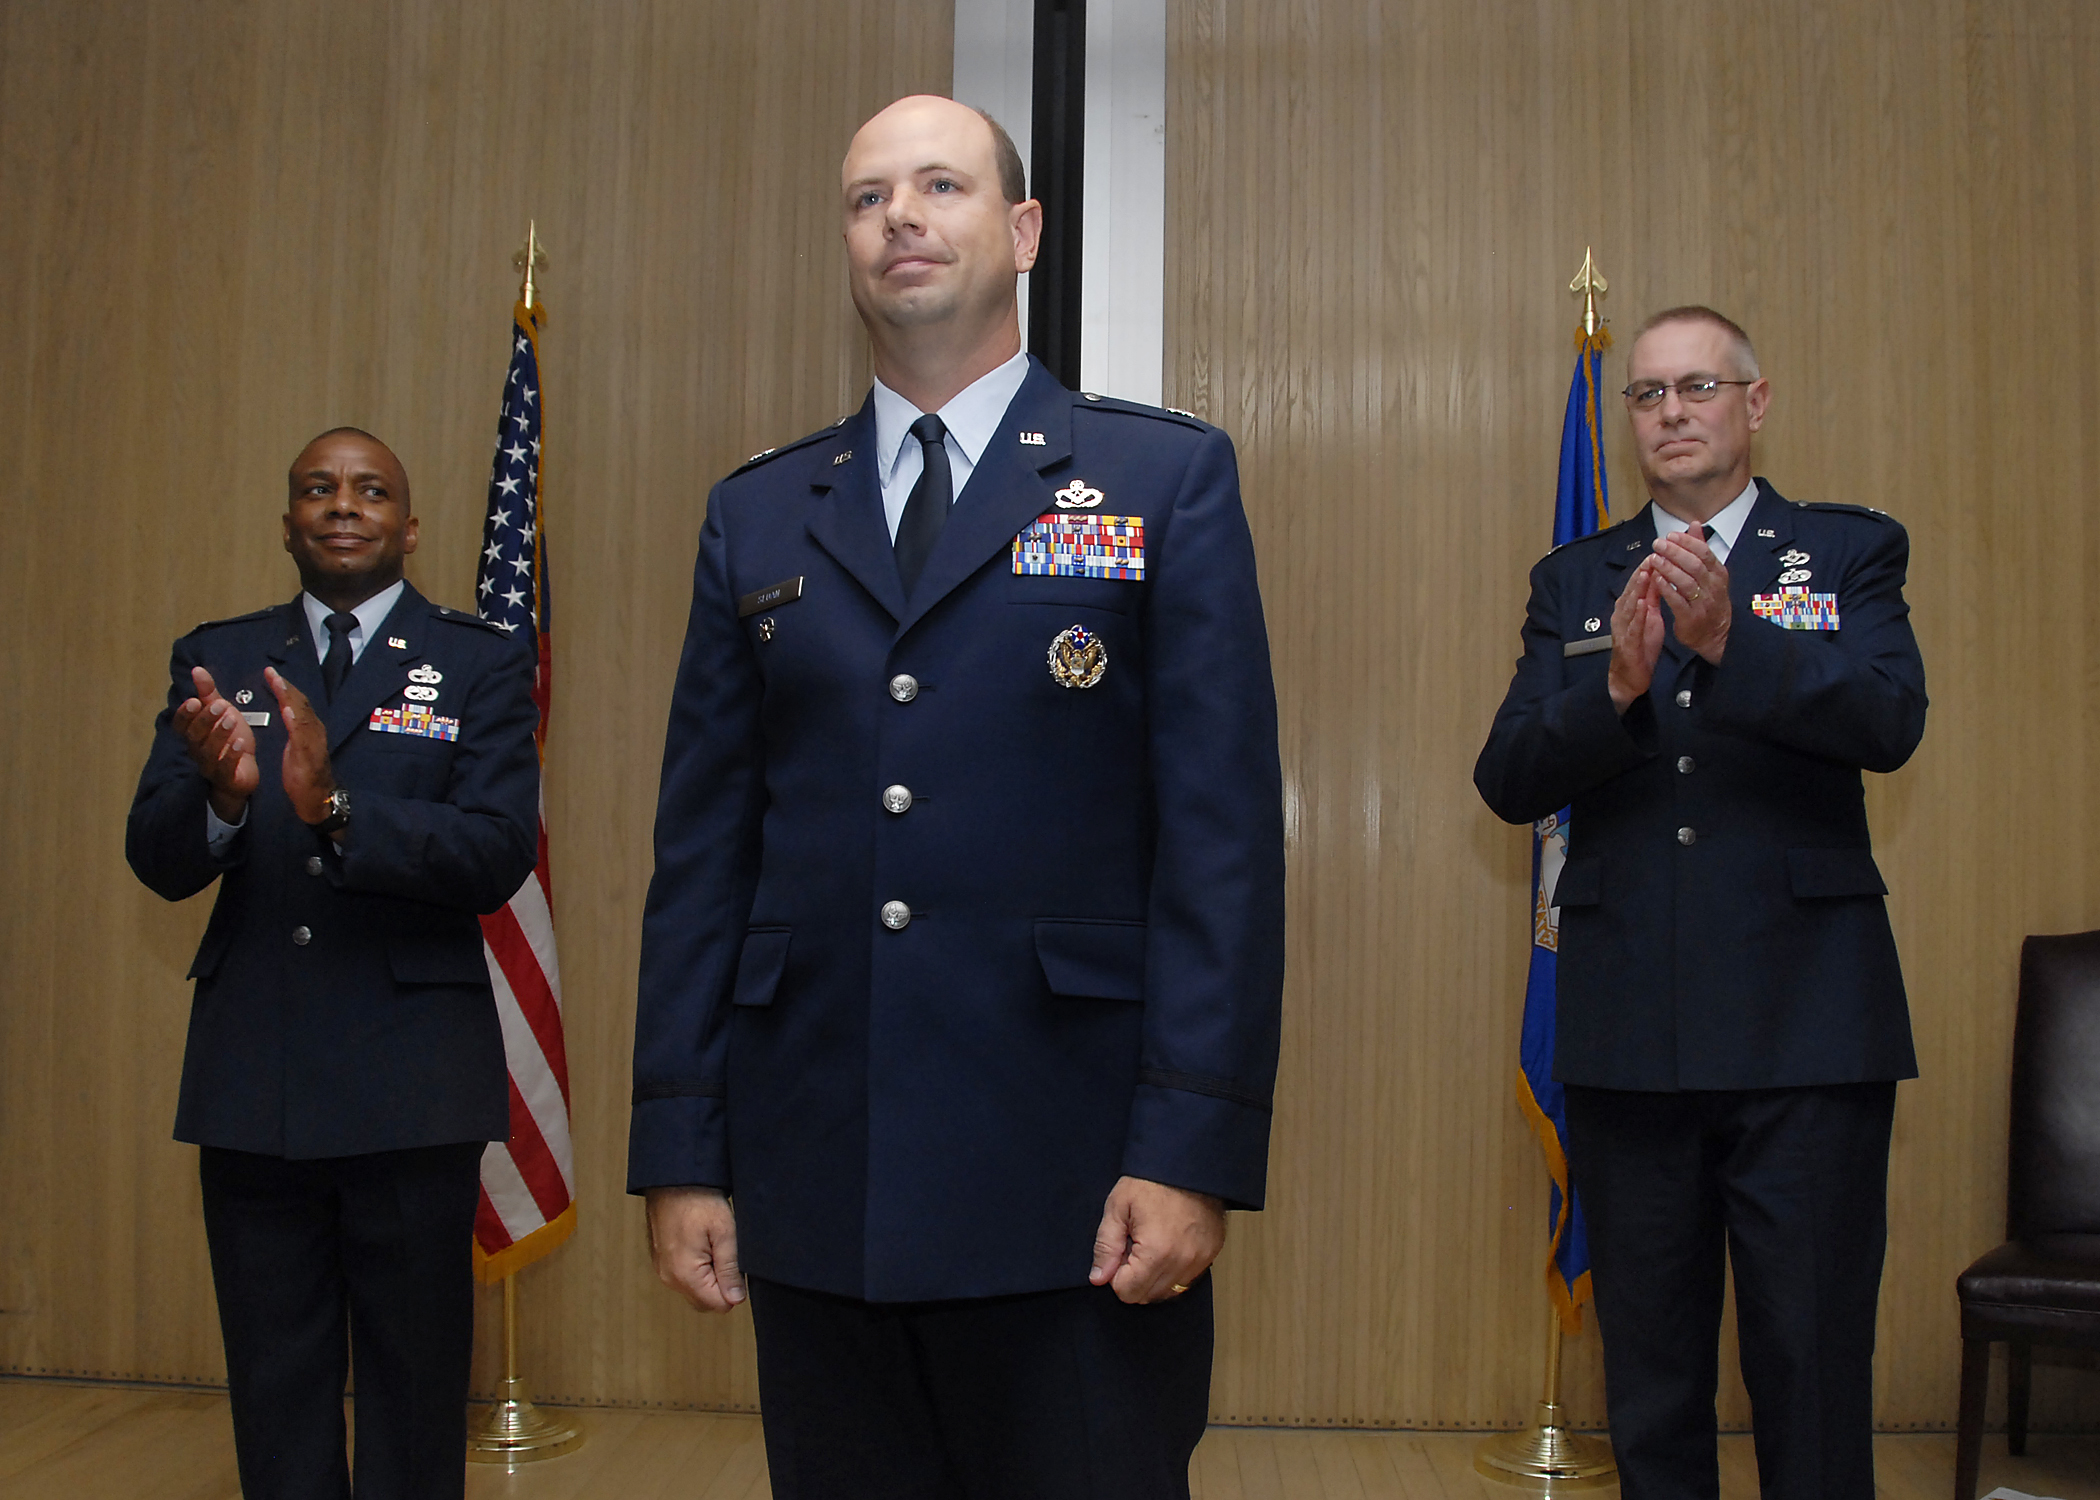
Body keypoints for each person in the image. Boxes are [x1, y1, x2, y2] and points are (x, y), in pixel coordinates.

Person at [628, 95, 1284, 1498]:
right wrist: (683, 1153)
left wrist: (1192, 1151)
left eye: (941, 186)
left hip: (1075, 1182)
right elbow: (704, 856)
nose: (902, 219)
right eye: (868, 198)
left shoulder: (1161, 480)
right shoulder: (759, 512)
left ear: (1023, 229)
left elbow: (1221, 851)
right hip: (819, 1179)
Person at [1475, 307, 1927, 1498]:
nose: (1672, 413)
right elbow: (1507, 779)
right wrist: (1614, 691)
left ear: (1755, 403)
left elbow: (1891, 721)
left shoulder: (1843, 553)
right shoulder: (1575, 577)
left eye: (1698, 388)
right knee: (1656, 1385)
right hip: (1634, 1036)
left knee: (1811, 1363)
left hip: (1809, 1032)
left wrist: (1739, 647)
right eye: (1647, 395)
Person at [126, 428, 541, 1500]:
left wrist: (340, 808)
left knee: (413, 1385)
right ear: (288, 524)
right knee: (278, 1380)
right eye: (319, 489)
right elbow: (155, 856)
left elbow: (496, 852)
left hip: (413, 1083)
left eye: (370, 491)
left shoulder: (478, 657)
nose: (342, 505)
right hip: (254, 1075)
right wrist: (223, 800)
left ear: (409, 526)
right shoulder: (219, 657)